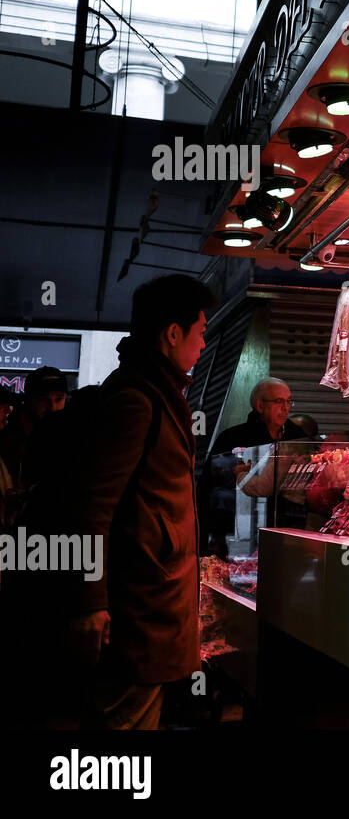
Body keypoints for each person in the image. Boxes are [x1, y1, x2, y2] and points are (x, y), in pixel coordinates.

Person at [66, 274, 214, 729]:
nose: (204, 344)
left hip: (152, 600)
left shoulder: (159, 392)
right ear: (173, 334)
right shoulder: (137, 400)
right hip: (135, 608)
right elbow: (92, 509)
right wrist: (91, 602)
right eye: (201, 332)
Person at [201, 377, 307, 556]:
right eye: (279, 401)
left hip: (289, 527)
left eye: (289, 401)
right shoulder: (232, 438)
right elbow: (210, 487)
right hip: (241, 529)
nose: (286, 408)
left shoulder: (299, 437)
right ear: (260, 406)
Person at [0, 365, 69, 488]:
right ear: (29, 401)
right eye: (43, 400)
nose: (52, 407)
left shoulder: (73, 435)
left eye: (59, 399)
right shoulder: (9, 439)